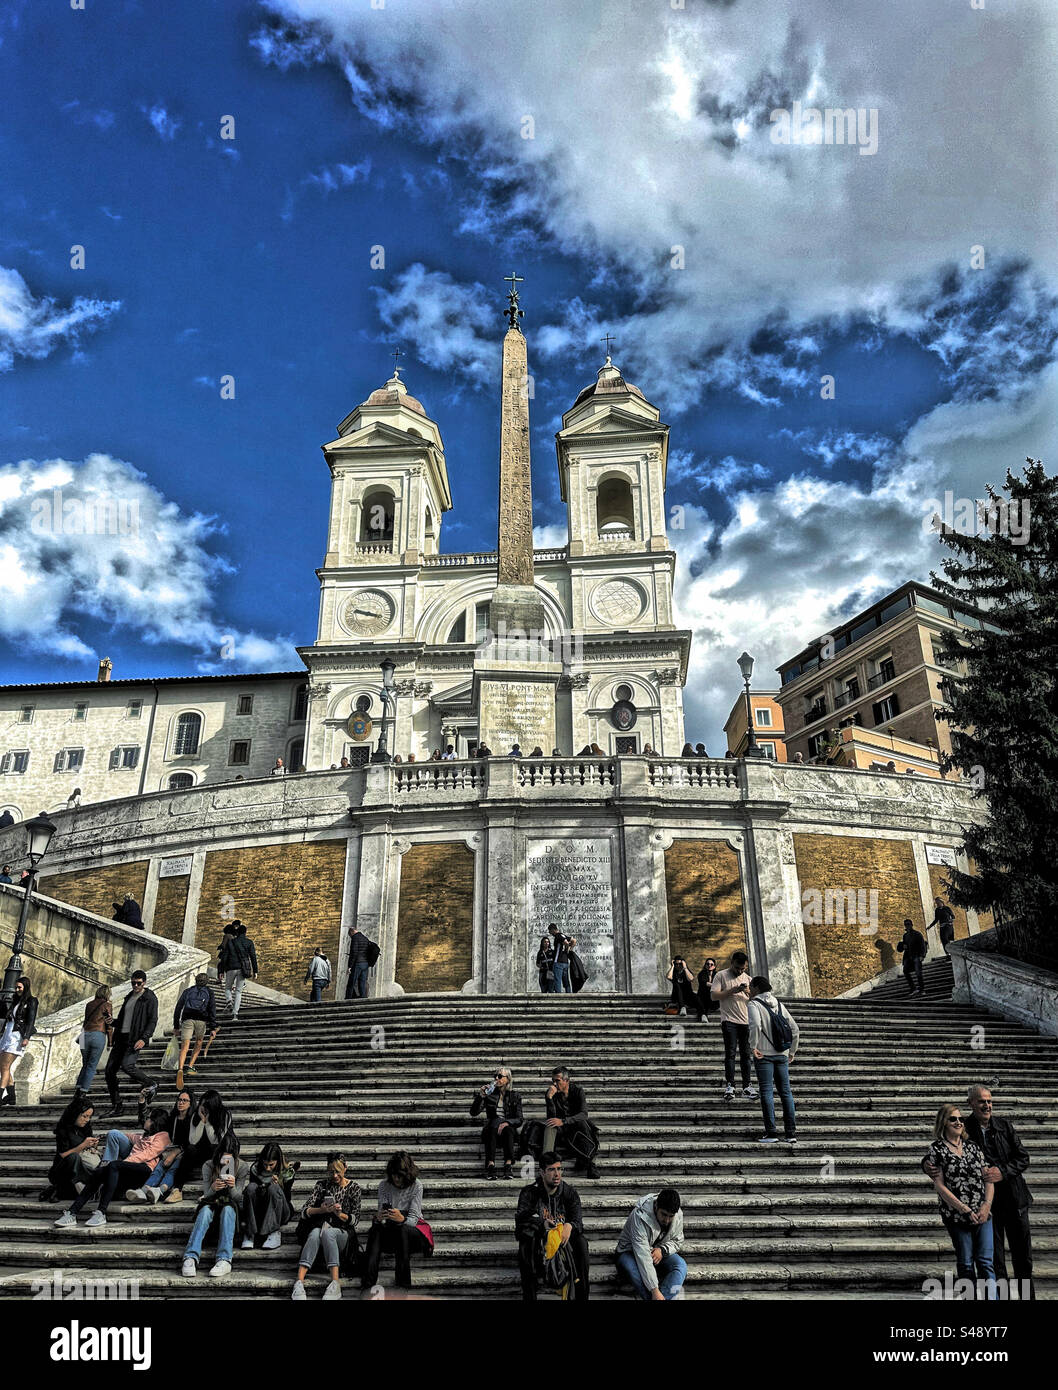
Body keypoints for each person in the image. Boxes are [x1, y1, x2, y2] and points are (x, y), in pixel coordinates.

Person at [923, 1085, 1034, 1299]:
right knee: (994, 1261)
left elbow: (1023, 1158)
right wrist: (925, 1163)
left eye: (989, 1101)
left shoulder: (1004, 1126)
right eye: (982, 1101)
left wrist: (1002, 1172)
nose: (987, 1105)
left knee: (1023, 1259)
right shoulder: (966, 1128)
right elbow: (946, 1149)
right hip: (990, 1205)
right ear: (971, 1104)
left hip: (1014, 1200)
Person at [54, 1106, 171, 1229]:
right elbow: (130, 1137)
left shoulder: (163, 1136)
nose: (146, 1120)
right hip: (130, 1167)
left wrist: (123, 1163)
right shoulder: (144, 1136)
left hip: (145, 1169)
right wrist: (108, 1136)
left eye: (148, 1118)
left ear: (155, 1122)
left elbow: (147, 1154)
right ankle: (72, 1213)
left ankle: (101, 1213)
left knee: (112, 1166)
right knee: (101, 1170)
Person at [924, 1103, 996, 1299]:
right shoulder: (936, 1149)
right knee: (965, 1263)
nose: (958, 1122)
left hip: (982, 1213)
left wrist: (986, 1206)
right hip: (956, 1214)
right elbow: (939, 1185)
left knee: (985, 1262)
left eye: (961, 1119)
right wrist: (964, 1209)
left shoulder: (973, 1147)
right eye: (953, 1119)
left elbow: (988, 1179)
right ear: (943, 1123)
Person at [515, 1154, 590, 1301]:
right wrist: (541, 1225)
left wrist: (570, 1225)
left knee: (581, 1243)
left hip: (562, 1241)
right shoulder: (529, 1193)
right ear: (542, 1172)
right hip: (540, 1242)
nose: (557, 1174)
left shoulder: (569, 1192)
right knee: (525, 1245)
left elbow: (578, 1221)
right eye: (551, 1170)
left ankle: (582, 1297)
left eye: (559, 1169)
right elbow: (521, 1224)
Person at [292, 1151, 361, 1300]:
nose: (334, 1176)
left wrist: (340, 1214)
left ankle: (335, 1284)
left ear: (345, 1168)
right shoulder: (321, 1185)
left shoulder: (354, 1187)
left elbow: (355, 1220)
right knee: (316, 1232)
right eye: (331, 1172)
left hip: (342, 1233)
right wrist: (321, 1210)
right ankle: (299, 1282)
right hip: (321, 1227)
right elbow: (304, 1212)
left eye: (337, 1171)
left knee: (328, 1233)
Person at [181, 1134, 250, 1279]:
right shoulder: (208, 1165)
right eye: (223, 1158)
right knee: (205, 1210)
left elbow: (239, 1198)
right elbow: (206, 1195)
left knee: (228, 1209)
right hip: (211, 1203)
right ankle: (190, 1257)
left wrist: (231, 1187)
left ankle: (224, 1259)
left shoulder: (242, 1166)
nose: (226, 1162)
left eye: (229, 1159)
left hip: (230, 1206)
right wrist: (213, 1187)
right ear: (218, 1154)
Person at [361, 1151, 431, 1291]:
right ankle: (367, 1285)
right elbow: (382, 1214)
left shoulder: (417, 1186)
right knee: (375, 1230)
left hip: (413, 1233)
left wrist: (402, 1218)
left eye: (399, 1176)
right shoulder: (384, 1185)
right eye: (393, 1175)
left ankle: (403, 1284)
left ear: (407, 1174)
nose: (396, 1179)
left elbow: (413, 1219)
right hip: (391, 1230)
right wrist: (380, 1219)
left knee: (403, 1229)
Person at [153, 1089, 234, 1204]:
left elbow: (215, 1140)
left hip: (224, 1146)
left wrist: (207, 1121)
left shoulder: (225, 1114)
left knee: (224, 1152)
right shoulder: (196, 1115)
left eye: (207, 1105)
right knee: (190, 1149)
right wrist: (202, 1121)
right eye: (202, 1104)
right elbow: (193, 1140)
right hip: (204, 1147)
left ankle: (215, 1191)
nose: (204, 1108)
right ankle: (177, 1190)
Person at [747, 976, 799, 1143]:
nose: (748, 990)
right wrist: (792, 1051)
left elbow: (755, 1024)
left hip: (764, 1054)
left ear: (756, 988)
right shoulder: (779, 1005)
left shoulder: (754, 1004)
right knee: (786, 1093)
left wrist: (753, 1046)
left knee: (767, 1092)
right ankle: (791, 1134)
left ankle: (771, 1133)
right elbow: (795, 1029)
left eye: (750, 987)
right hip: (782, 1054)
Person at [104, 969, 158, 1118]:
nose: (135, 986)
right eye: (133, 983)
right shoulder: (129, 996)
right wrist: (112, 1022)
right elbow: (123, 1019)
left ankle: (150, 1083)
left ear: (144, 982)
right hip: (120, 1037)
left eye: (138, 983)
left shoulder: (149, 998)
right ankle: (117, 1105)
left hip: (134, 1038)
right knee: (109, 1071)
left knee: (127, 1065)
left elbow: (153, 1020)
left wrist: (144, 1038)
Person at [126, 1087, 196, 1202]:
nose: (181, 1102)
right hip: (168, 1150)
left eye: (184, 1100)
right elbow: (148, 1122)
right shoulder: (172, 1118)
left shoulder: (193, 1120)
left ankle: (159, 1191)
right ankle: (143, 1191)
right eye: (179, 1099)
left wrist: (175, 1153)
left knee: (173, 1168)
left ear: (190, 1103)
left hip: (184, 1153)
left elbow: (192, 1142)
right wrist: (142, 1102)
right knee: (160, 1168)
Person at [615, 1189, 686, 1300]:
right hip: (630, 1252)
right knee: (631, 1269)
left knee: (680, 1265)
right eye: (664, 1214)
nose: (667, 1220)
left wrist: (662, 1250)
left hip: (657, 1254)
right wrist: (654, 1290)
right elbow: (643, 1256)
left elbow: (678, 1241)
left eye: (671, 1216)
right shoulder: (639, 1215)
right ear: (656, 1206)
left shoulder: (678, 1214)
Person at [711, 950, 757, 1100]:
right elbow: (714, 995)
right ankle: (730, 1085)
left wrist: (747, 991)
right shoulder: (721, 975)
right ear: (732, 963)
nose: (740, 971)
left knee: (746, 1055)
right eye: (737, 968)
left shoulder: (748, 978)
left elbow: (756, 1000)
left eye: (743, 969)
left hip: (745, 1021)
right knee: (730, 1054)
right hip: (729, 1020)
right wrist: (732, 990)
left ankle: (747, 1086)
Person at [539, 1066, 600, 1178]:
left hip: (576, 1127)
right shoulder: (551, 1093)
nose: (554, 1084)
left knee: (583, 1123)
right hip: (562, 1130)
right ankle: (546, 1163)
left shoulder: (578, 1091)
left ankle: (591, 1163)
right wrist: (549, 1099)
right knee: (550, 1125)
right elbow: (551, 1117)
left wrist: (564, 1121)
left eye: (557, 1080)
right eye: (553, 1081)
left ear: (567, 1081)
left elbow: (583, 1114)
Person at [241, 1141, 298, 1250]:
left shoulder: (287, 1172)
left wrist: (280, 1184)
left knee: (273, 1188)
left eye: (271, 1165)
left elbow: (286, 1197)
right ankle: (250, 1233)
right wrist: (263, 1186)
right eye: (265, 1164)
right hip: (260, 1209)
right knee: (251, 1187)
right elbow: (252, 1193)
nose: (267, 1168)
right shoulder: (255, 1168)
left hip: (281, 1210)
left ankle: (273, 1232)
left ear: (278, 1161)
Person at [470, 1067, 523, 1179]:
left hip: (507, 1132)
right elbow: (473, 1112)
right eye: (495, 1076)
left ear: (508, 1079)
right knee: (493, 1126)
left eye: (499, 1076)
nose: (496, 1078)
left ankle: (508, 1165)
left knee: (508, 1129)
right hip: (491, 1130)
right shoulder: (489, 1094)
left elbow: (519, 1119)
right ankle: (490, 1165)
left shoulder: (515, 1096)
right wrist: (481, 1097)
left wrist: (507, 1122)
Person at [43, 1098, 100, 1202]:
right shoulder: (63, 1130)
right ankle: (82, 1186)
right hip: (64, 1168)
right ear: (75, 1114)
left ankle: (59, 1190)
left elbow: (88, 1149)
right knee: (74, 1157)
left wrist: (93, 1146)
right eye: (84, 1116)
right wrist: (83, 1145)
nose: (87, 1120)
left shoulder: (86, 1127)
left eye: (89, 1117)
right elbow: (64, 1155)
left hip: (82, 1166)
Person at [172, 973, 218, 1088]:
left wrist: (176, 1026)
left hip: (187, 1019)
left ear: (196, 980)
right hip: (201, 1021)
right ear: (206, 981)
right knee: (198, 1042)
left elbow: (178, 1007)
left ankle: (180, 1068)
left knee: (185, 1045)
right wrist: (213, 1027)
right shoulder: (209, 992)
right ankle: (190, 1066)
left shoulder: (188, 991)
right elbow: (212, 1009)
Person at [0, 975, 38, 1107]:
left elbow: (31, 1020)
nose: (16, 989)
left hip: (17, 1036)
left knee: (4, 1067)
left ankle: (1, 1095)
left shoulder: (32, 1001)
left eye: (19, 987)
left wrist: (27, 1037)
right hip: (7, 1034)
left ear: (25, 987)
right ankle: (11, 1098)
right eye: (16, 987)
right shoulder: (16, 1000)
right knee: (4, 1067)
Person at [74, 985, 113, 1096]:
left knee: (85, 1064)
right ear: (107, 994)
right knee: (91, 1065)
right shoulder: (107, 1005)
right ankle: (83, 1092)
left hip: (84, 1036)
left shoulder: (89, 1004)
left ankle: (78, 1089)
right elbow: (108, 1023)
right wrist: (110, 1042)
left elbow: (86, 1021)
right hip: (97, 1035)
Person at [224, 921, 258, 1019]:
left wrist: (222, 970)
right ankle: (235, 1014)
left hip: (231, 968)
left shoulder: (232, 941)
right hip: (242, 969)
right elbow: (253, 957)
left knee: (227, 988)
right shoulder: (249, 942)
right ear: (245, 932)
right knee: (238, 991)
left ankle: (229, 1000)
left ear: (237, 932)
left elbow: (226, 956)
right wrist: (255, 971)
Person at [897, 918, 927, 995]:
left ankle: (922, 989)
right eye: (906, 925)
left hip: (916, 956)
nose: (907, 926)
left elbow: (923, 945)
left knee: (918, 973)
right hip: (908, 957)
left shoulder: (917, 934)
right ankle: (913, 988)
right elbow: (903, 945)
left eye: (908, 924)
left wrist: (922, 955)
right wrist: (903, 946)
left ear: (911, 925)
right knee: (905, 971)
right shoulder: (905, 936)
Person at [345, 923, 375, 1000]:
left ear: (351, 932)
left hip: (357, 963)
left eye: (350, 935)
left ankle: (347, 999)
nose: (350, 937)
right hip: (365, 964)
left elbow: (354, 953)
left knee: (351, 982)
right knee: (362, 982)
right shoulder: (364, 938)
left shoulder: (355, 938)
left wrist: (349, 966)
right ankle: (363, 998)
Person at [548, 923, 573, 994]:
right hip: (565, 962)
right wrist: (569, 950)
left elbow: (566, 943)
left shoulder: (558, 936)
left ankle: (558, 997)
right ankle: (569, 995)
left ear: (553, 930)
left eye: (550, 931)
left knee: (557, 981)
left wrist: (567, 948)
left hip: (558, 962)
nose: (550, 933)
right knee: (566, 981)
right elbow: (573, 940)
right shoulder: (563, 935)